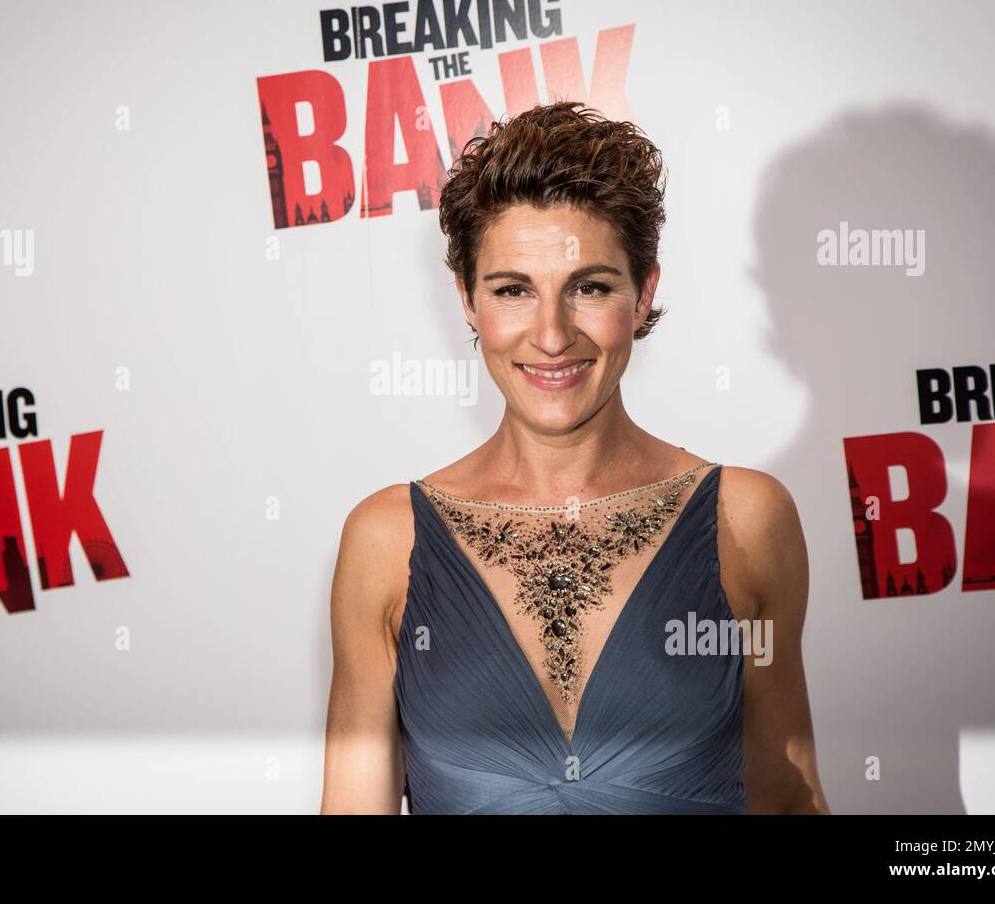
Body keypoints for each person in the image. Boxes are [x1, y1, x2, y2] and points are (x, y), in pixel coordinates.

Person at [321, 101, 829, 814]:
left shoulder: (747, 518)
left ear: (644, 291)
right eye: (512, 290)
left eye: (590, 287)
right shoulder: (386, 540)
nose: (553, 335)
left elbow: (787, 795)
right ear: (467, 299)